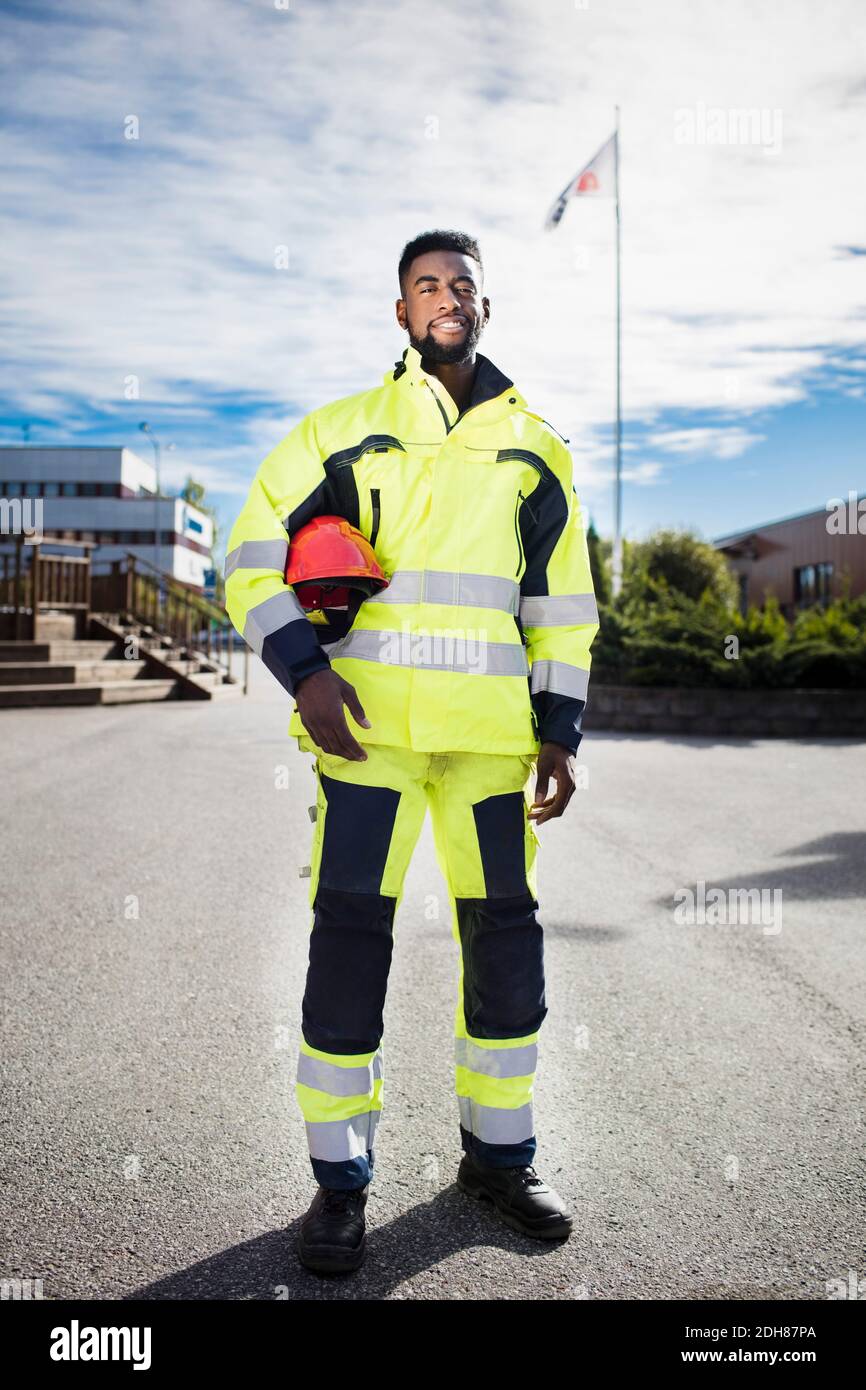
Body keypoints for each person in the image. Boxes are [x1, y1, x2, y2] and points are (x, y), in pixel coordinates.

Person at [225, 229, 599, 1274]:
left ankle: (500, 1156)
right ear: (398, 312)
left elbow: (559, 607)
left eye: (461, 284)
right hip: (368, 743)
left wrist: (559, 728)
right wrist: (304, 668)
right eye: (424, 285)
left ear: (486, 306)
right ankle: (339, 1186)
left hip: (487, 749)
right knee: (348, 948)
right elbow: (249, 559)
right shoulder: (338, 434)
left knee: (504, 952)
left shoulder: (538, 447)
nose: (444, 297)